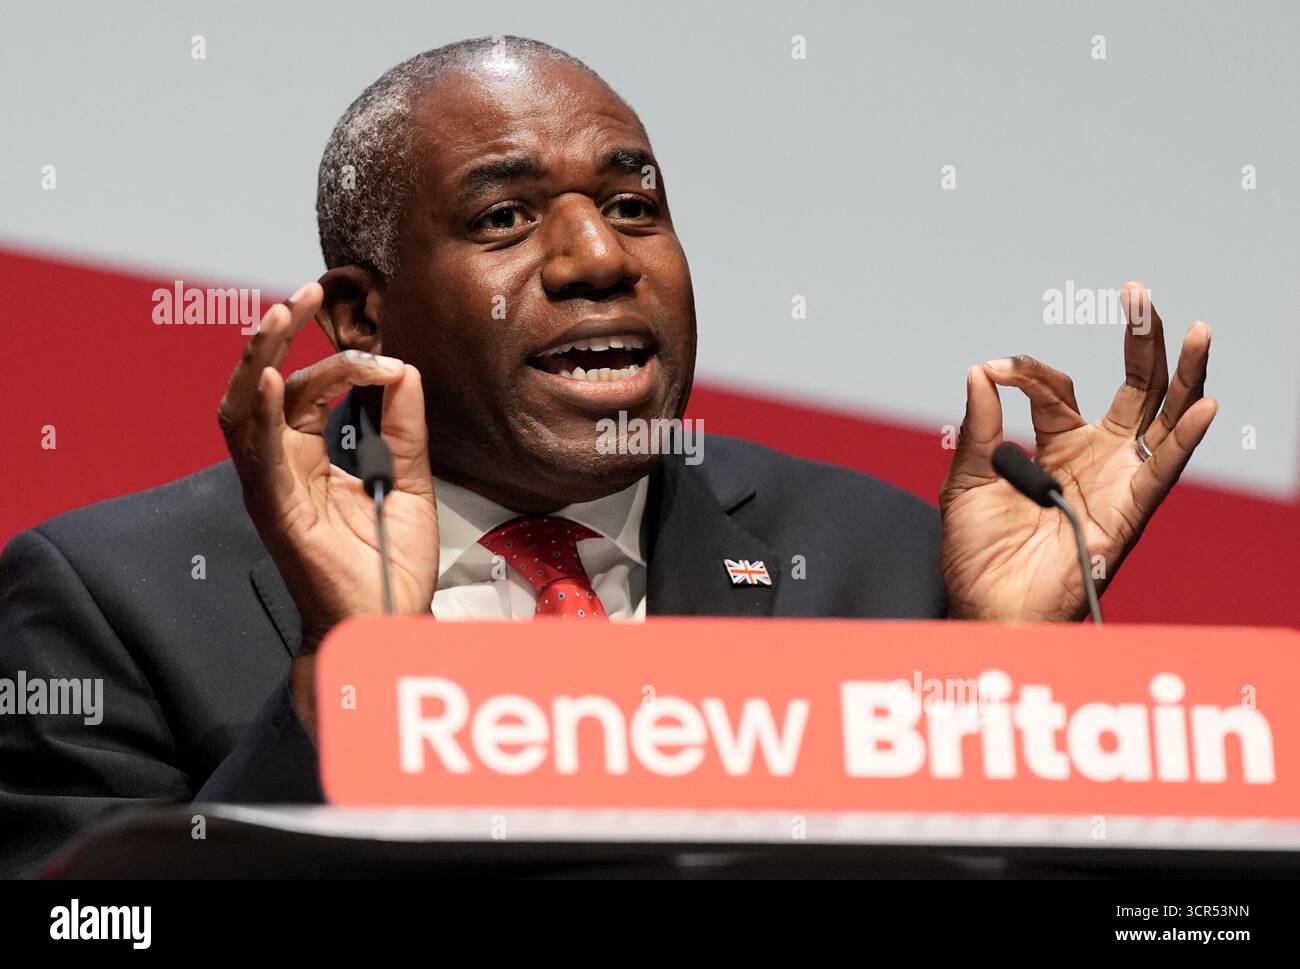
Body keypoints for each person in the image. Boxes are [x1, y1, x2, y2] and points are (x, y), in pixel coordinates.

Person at [0, 36, 1215, 878]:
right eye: (503, 218)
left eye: (636, 206)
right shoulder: (115, 596)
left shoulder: (887, 564)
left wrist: (1020, 688)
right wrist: (345, 680)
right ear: (363, 320)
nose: (597, 257)